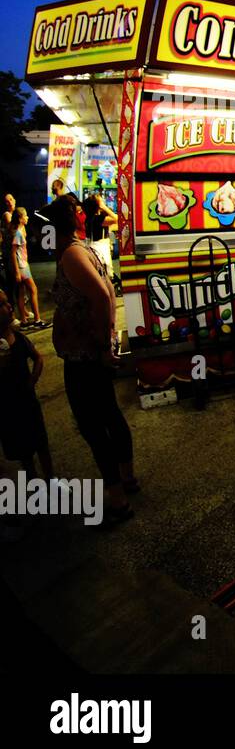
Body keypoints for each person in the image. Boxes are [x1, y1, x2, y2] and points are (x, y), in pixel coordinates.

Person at [47, 195, 135, 524]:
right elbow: (109, 291)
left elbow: (101, 294)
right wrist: (109, 335)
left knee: (94, 426)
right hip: (90, 349)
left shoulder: (72, 253)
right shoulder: (83, 249)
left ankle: (118, 500)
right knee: (110, 414)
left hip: (84, 355)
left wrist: (102, 343)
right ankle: (127, 479)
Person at [0, 288, 53, 481]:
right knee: (24, 451)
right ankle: (34, 483)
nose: (9, 306)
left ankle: (51, 480)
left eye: (7, 302)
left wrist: (31, 381)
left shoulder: (19, 338)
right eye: (2, 304)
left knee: (42, 443)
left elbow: (38, 358)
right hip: (7, 406)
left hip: (28, 400)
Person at [8, 208, 45, 329]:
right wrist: (17, 272)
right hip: (22, 266)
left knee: (21, 292)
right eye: (25, 216)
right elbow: (13, 253)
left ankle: (24, 322)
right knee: (33, 290)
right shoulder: (18, 233)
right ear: (20, 218)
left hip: (23, 264)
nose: (27, 217)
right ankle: (37, 320)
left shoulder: (21, 230)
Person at [84, 193, 119, 283]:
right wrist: (104, 207)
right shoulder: (98, 219)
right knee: (106, 272)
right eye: (101, 201)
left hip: (93, 246)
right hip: (100, 248)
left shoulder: (90, 218)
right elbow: (116, 219)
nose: (103, 201)